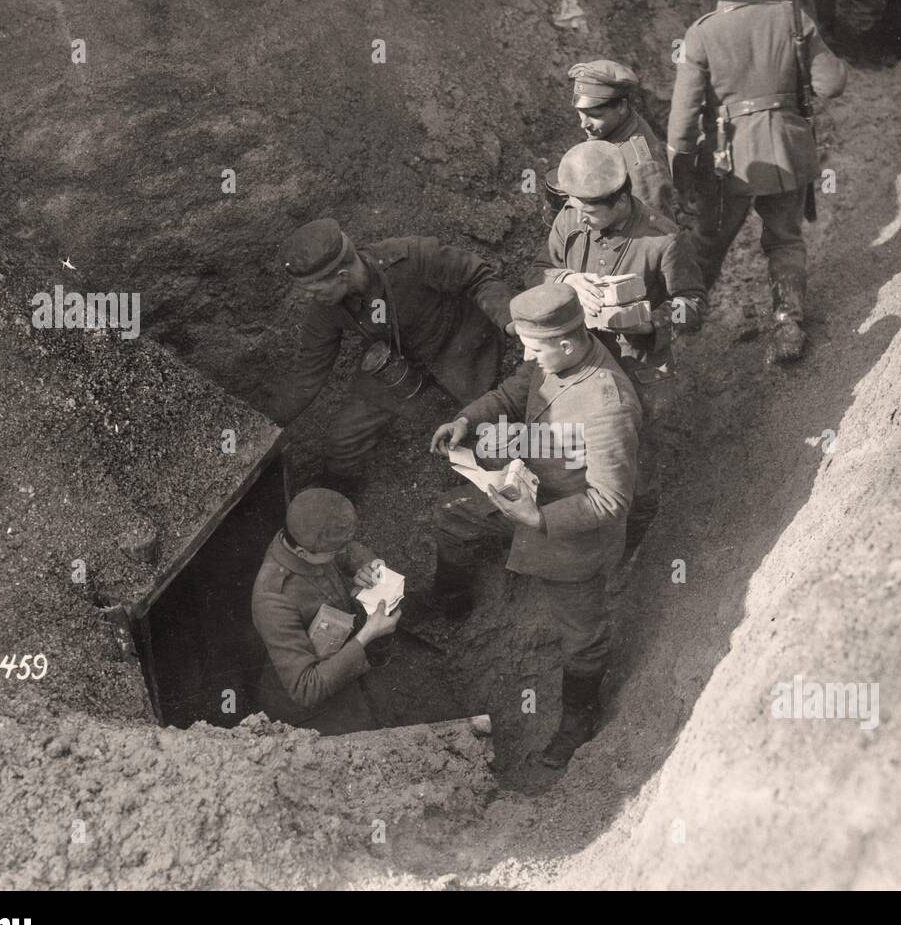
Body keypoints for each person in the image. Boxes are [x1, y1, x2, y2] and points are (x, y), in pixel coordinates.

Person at [426, 283, 642, 768]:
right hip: (528, 490)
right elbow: (514, 389)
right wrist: (468, 418)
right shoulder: (556, 355)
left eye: (535, 347)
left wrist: (540, 518)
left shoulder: (607, 405)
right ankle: (450, 603)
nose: (528, 355)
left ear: (567, 343)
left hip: (574, 535)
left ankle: (579, 718)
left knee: (582, 638)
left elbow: (610, 500)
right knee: (452, 516)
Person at [528, 140, 706, 560]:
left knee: (637, 467)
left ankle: (632, 546)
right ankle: (575, 525)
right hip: (581, 358)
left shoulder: (663, 239)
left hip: (637, 364)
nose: (582, 221)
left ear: (620, 199)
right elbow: (535, 270)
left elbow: (694, 307)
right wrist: (565, 279)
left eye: (590, 212)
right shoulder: (570, 221)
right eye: (576, 209)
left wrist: (649, 319)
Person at [270, 219, 515, 498]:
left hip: (459, 350)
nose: (307, 298)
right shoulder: (327, 307)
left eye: (314, 290)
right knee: (343, 441)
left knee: (486, 437)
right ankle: (335, 507)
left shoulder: (412, 257)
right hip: (395, 365)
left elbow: (477, 276)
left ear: (341, 276)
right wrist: (266, 423)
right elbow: (308, 372)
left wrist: (510, 320)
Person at [667, 0, 847, 362]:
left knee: (707, 242)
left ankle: (680, 326)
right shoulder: (793, 17)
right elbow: (830, 84)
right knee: (784, 241)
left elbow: (683, 122)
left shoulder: (701, 32)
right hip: (787, 147)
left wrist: (682, 177)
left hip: (728, 159)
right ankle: (787, 323)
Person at [250, 488, 399, 732]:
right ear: (300, 551)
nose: (340, 553)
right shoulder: (273, 600)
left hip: (338, 646)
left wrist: (369, 566)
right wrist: (367, 635)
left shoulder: (307, 537)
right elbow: (305, 689)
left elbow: (347, 549)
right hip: (306, 698)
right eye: (333, 552)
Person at [546, 59, 675, 220]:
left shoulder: (641, 167)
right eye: (581, 112)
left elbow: (656, 232)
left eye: (594, 115)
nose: (583, 123)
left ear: (621, 106)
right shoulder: (613, 127)